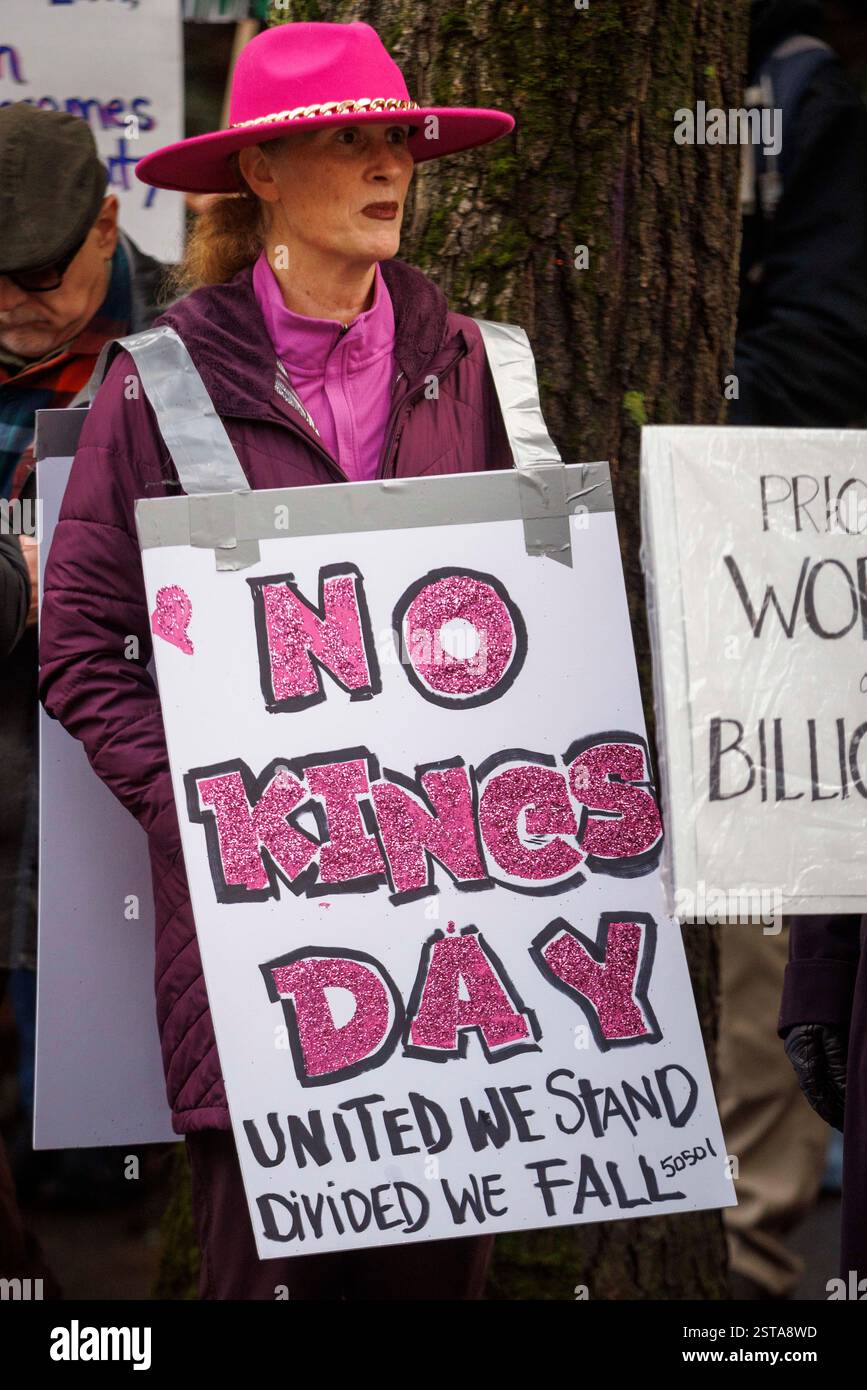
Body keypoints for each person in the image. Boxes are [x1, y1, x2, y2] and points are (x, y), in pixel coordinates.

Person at [39, 20, 516, 1300]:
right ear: (260, 174)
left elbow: (537, 636)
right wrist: (206, 818)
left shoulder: (475, 365)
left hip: (463, 931)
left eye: (399, 139)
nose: (389, 165)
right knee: (272, 1273)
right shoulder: (157, 386)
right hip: (262, 947)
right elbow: (83, 643)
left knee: (440, 1281)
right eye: (347, 139)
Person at [720, 0, 867, 1299]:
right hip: (722, 559)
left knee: (759, 927)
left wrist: (685, 405)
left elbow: (823, 350)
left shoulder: (797, 92)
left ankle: (748, 1276)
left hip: (764, 570)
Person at [0, 104, 168, 1204]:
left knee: (101, 1157)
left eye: (38, 276)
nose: (11, 306)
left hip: (111, 776)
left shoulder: (189, 344)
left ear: (107, 228)